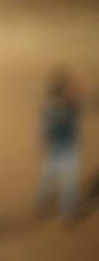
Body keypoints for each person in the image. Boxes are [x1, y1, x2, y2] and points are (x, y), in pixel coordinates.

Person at [36, 67, 82, 221]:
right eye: (67, 87)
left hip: (69, 146)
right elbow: (45, 126)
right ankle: (43, 199)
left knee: (69, 179)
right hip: (56, 147)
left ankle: (67, 211)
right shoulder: (51, 106)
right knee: (48, 176)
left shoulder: (72, 104)